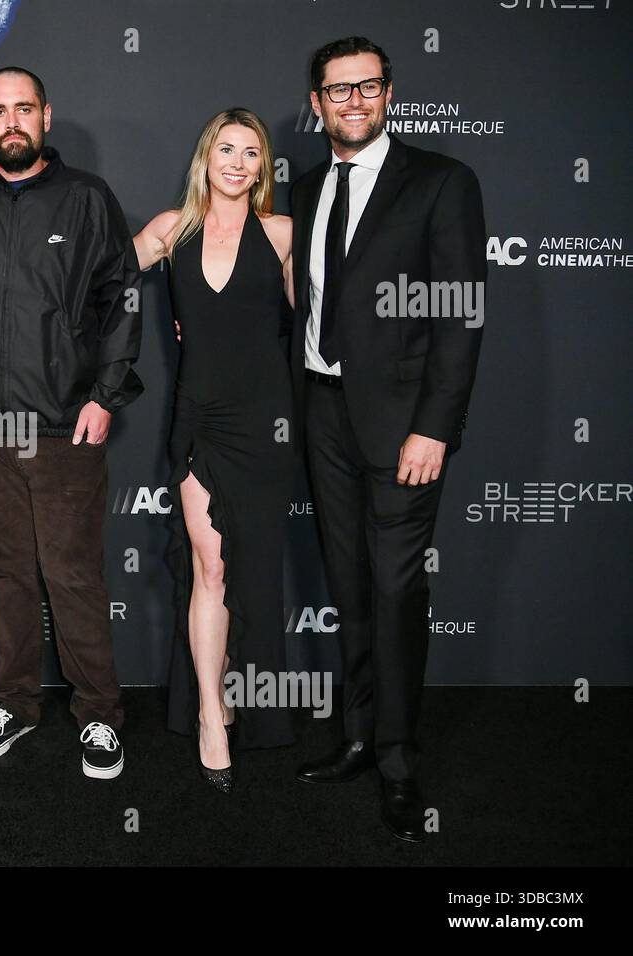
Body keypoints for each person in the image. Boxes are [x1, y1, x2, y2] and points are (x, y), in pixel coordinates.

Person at [289, 37, 486, 841]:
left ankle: (401, 764)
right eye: (338, 91)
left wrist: (434, 427)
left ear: (390, 93)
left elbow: (460, 316)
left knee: (399, 591)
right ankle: (360, 736)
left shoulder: (441, 182)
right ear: (317, 105)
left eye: (367, 87)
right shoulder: (304, 191)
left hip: (404, 425)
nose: (354, 101)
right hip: (323, 414)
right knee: (351, 586)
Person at [0, 66, 143, 780]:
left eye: (24, 108)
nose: (11, 121)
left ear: (47, 117)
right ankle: (16, 702)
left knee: (73, 575)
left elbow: (123, 298)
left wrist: (105, 395)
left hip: (62, 426)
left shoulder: (87, 199)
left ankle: (99, 715)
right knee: (9, 575)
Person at [134, 108, 296, 793]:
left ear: (263, 168)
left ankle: (245, 699)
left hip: (267, 423)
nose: (237, 162)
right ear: (206, 157)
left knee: (252, 571)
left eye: (250, 153)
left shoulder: (283, 234)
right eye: (225, 149)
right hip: (199, 420)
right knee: (210, 568)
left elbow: (315, 331)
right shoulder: (171, 231)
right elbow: (87, 277)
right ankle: (209, 712)